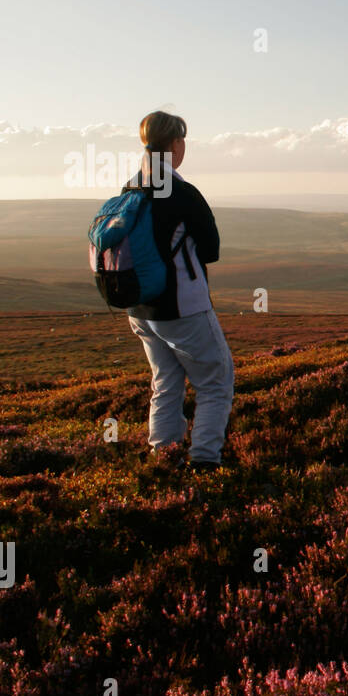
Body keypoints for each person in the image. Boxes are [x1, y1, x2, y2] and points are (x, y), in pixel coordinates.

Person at [125, 110, 234, 470]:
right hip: (183, 307)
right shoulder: (183, 193)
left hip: (141, 309)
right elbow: (211, 250)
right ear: (175, 144)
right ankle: (204, 462)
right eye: (182, 140)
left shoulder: (131, 187)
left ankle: (164, 458)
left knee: (166, 383)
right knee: (215, 382)